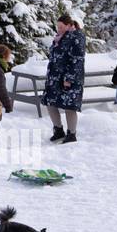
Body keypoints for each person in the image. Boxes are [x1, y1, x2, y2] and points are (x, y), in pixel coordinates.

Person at [41, 13, 85, 144]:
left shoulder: (76, 37)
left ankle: (72, 134)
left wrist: (69, 79)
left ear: (69, 25)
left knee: (69, 106)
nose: (58, 29)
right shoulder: (59, 38)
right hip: (55, 78)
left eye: (61, 27)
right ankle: (58, 130)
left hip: (69, 78)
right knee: (50, 102)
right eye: (57, 27)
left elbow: (77, 60)